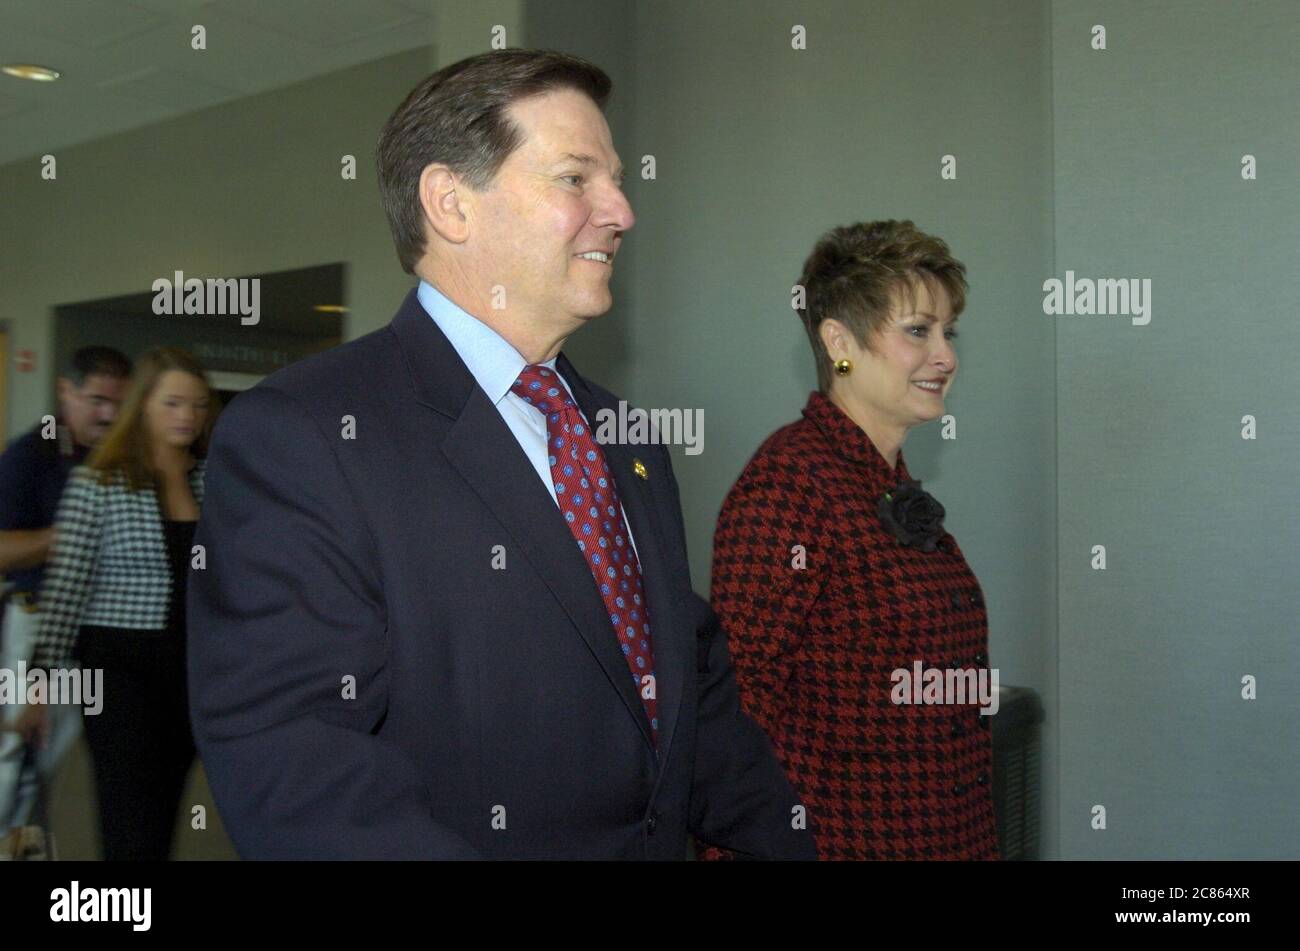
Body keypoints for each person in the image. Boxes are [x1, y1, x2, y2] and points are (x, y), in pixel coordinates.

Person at [187, 48, 814, 860]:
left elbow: (689, 696)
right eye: (576, 178)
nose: (622, 209)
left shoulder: (629, 439)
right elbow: (297, 766)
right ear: (452, 203)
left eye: (617, 179)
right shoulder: (304, 435)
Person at [700, 220, 1000, 860]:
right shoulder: (789, 487)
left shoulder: (884, 482)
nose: (945, 356)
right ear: (839, 341)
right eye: (918, 330)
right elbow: (737, 725)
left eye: (948, 332)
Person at [20, 348, 214, 860]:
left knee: (169, 806)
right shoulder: (99, 483)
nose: (186, 417)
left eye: (196, 406)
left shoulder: (210, 482)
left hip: (190, 669)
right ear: (144, 405)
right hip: (118, 670)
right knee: (128, 811)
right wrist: (39, 686)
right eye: (172, 403)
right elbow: (66, 589)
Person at [0, 346, 131, 831]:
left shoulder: (120, 458)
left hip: (97, 627)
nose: (109, 414)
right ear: (65, 391)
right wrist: (72, 533)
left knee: (60, 762)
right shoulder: (29, 455)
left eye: (119, 402)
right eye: (96, 400)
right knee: (18, 754)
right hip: (35, 622)